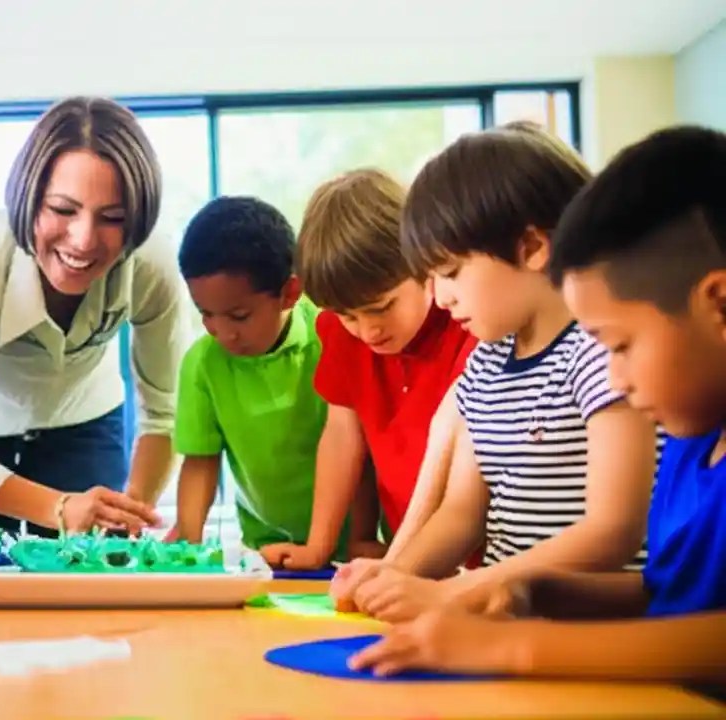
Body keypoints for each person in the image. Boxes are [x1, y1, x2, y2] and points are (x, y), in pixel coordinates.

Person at [350, 125, 726, 686]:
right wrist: (526, 590)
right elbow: (667, 594)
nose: (615, 374)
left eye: (620, 345)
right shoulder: (691, 443)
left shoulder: (644, 400)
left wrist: (509, 639)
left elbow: (699, 627)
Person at [333, 123, 657, 622]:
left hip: (595, 631)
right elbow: (462, 515)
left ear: (532, 248)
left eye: (452, 273)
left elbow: (612, 530)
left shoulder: (601, 351)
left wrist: (459, 592)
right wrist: (394, 579)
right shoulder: (485, 366)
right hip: (504, 623)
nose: (442, 297)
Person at [0, 96, 179, 535]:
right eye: (62, 210)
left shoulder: (152, 264)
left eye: (113, 217)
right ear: (29, 198)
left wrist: (129, 510)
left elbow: (164, 414)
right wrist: (60, 508)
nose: (84, 240)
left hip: (83, 424)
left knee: (93, 584)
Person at [263, 168, 476, 570]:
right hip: (403, 551)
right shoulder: (341, 336)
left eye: (381, 308)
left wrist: (400, 567)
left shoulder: (468, 324)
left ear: (426, 265)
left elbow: (458, 458)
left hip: (475, 556)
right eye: (348, 316)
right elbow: (342, 436)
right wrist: (318, 547)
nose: (367, 330)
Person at [169, 196, 341, 553]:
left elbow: (355, 446)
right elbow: (200, 461)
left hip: (349, 544)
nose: (222, 332)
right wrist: (187, 539)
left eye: (239, 315)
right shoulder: (202, 364)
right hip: (267, 548)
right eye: (206, 314)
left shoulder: (332, 335)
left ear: (290, 293)